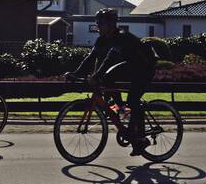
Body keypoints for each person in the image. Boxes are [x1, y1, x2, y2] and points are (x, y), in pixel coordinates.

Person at [66, 8, 157, 156]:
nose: (98, 27)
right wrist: (76, 73)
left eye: (101, 24)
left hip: (144, 69)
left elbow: (110, 60)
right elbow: (91, 58)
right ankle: (120, 108)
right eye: (97, 23)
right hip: (129, 67)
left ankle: (141, 138)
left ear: (111, 25)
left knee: (133, 101)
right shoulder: (101, 40)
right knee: (108, 79)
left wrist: (96, 75)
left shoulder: (122, 38)